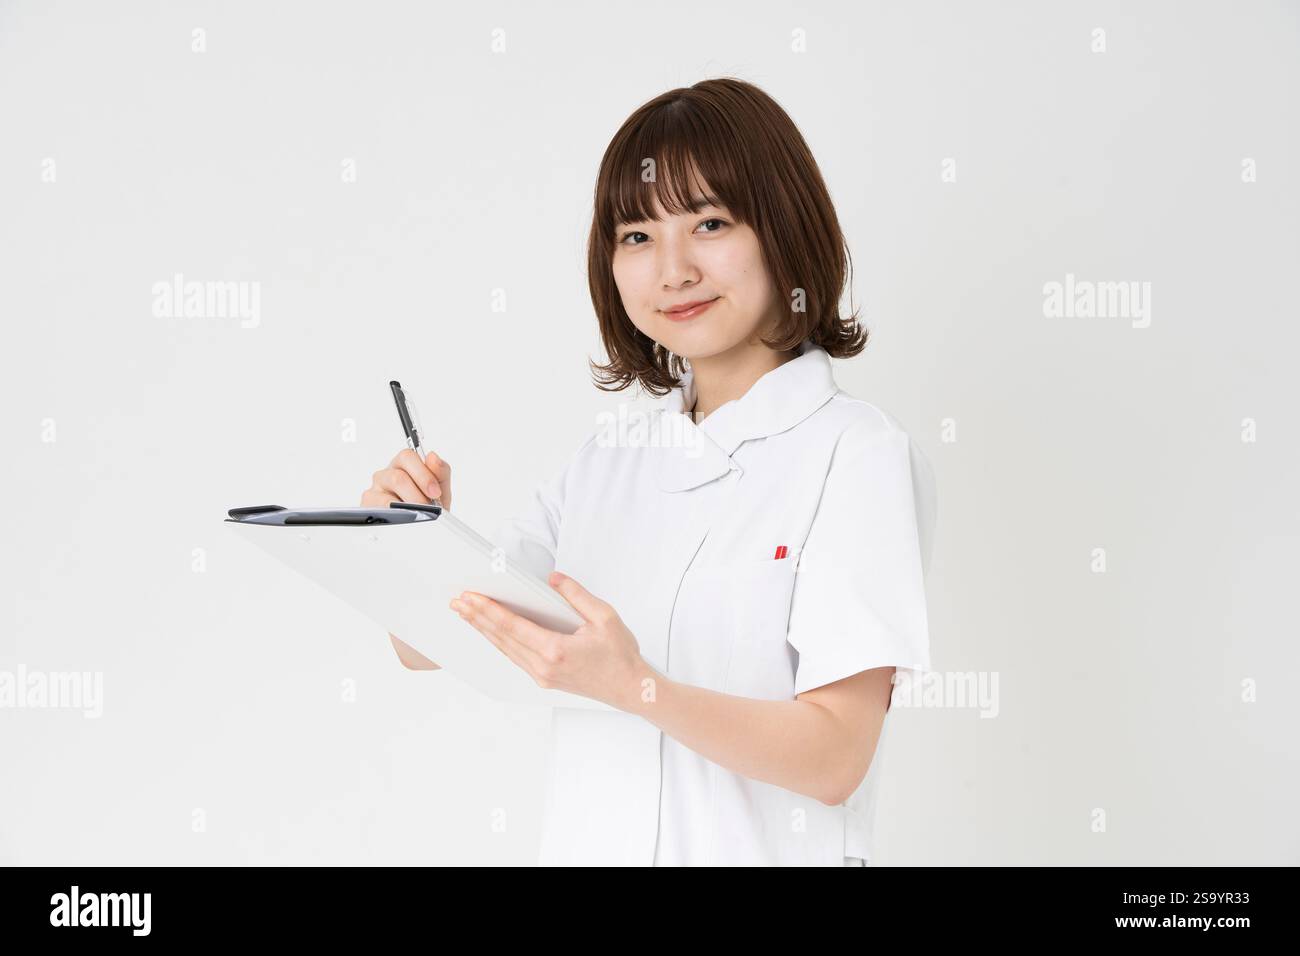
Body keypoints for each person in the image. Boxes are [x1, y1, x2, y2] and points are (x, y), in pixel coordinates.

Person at [361, 77, 936, 866]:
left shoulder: (855, 455)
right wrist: (409, 537)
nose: (672, 270)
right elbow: (428, 643)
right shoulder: (606, 463)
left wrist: (635, 686)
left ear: (784, 229)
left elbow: (835, 758)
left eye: (709, 222)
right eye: (636, 235)